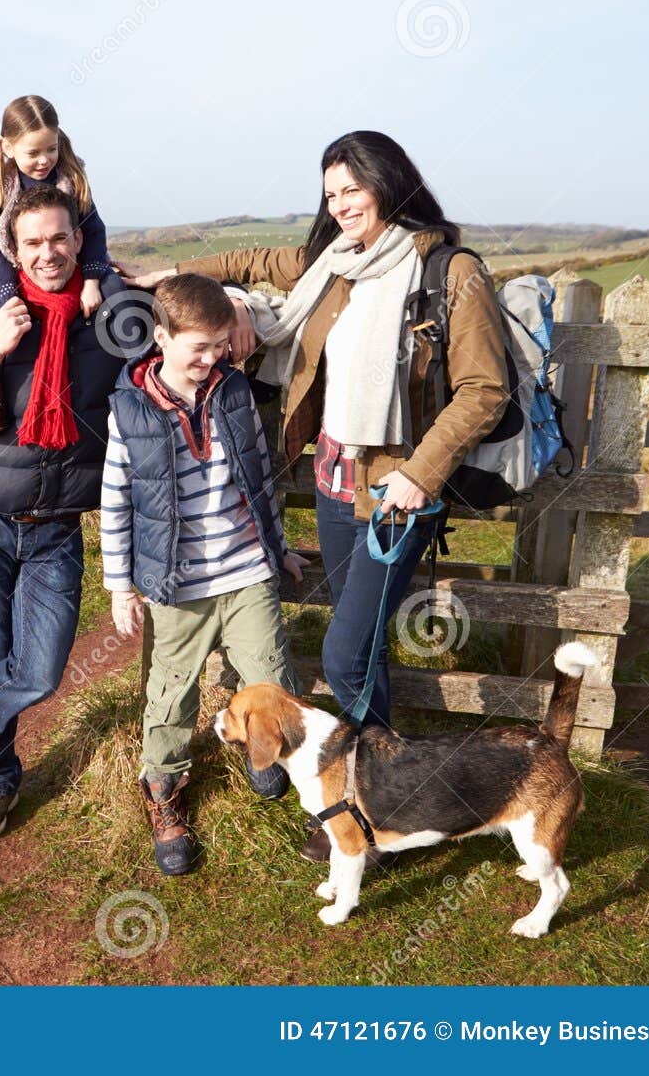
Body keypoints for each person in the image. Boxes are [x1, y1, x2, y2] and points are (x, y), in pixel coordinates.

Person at [129, 130, 508, 863]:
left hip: (396, 493)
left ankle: (366, 804)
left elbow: (483, 389)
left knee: (344, 656)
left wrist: (421, 472)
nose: (339, 205)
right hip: (337, 483)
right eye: (330, 193)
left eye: (352, 190)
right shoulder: (335, 261)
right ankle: (385, 796)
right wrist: (167, 275)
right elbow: (249, 261)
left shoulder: (449, 270)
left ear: (388, 183)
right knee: (360, 646)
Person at [0, 184, 255, 842]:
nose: (48, 253)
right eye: (33, 242)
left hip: (59, 524)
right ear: (11, 249)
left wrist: (235, 301)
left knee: (37, 672)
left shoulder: (112, 315)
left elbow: (182, 326)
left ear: (81, 239)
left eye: (60, 238)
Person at [102, 273, 306, 876]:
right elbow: (116, 500)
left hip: (246, 569)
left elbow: (259, 476)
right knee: (171, 696)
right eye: (199, 347)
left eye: (220, 345)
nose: (212, 358)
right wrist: (120, 585)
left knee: (270, 673)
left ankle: (263, 749)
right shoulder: (129, 412)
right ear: (160, 337)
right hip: (177, 585)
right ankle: (163, 793)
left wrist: (281, 546)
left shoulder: (235, 393)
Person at [0, 94, 113, 436]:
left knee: (117, 292)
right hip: (16, 268)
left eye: (50, 148)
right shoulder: (2, 187)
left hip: (72, 262)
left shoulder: (72, 176)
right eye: (32, 152)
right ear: (8, 147)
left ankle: (128, 376)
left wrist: (93, 280)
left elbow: (93, 230)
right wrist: (8, 296)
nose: (44, 160)